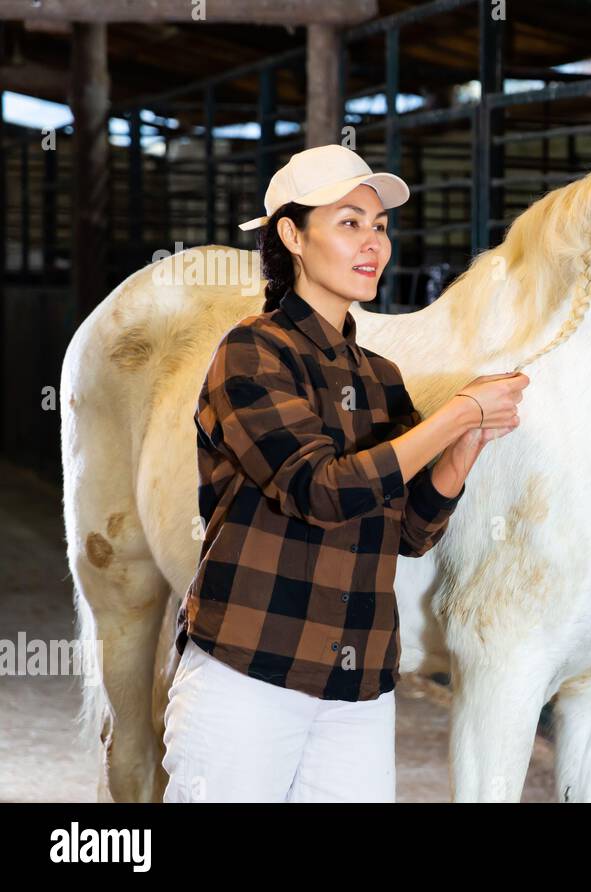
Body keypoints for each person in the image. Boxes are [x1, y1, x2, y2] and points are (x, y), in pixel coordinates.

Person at [162, 144, 529, 802]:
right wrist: (452, 416)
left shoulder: (380, 378)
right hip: (249, 675)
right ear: (292, 236)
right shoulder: (251, 352)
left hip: (355, 690)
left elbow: (412, 531)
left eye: (381, 226)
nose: (373, 244)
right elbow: (321, 490)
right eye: (349, 222)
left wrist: (463, 446)